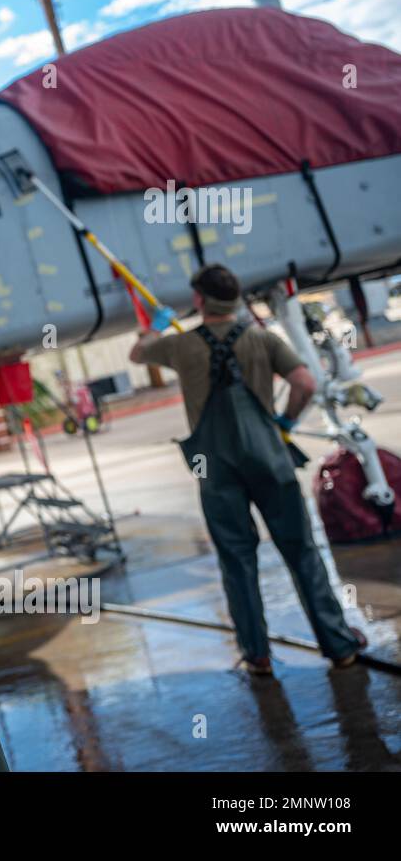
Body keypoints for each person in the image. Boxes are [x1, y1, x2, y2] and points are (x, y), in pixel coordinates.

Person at [130, 264, 366, 675]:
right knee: (302, 552)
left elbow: (138, 354)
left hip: (216, 470)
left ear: (200, 300)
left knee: (237, 560)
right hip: (269, 459)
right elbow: (305, 383)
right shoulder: (262, 339)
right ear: (235, 299)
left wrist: (154, 327)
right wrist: (287, 423)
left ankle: (257, 654)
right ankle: (339, 644)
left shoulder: (181, 346)